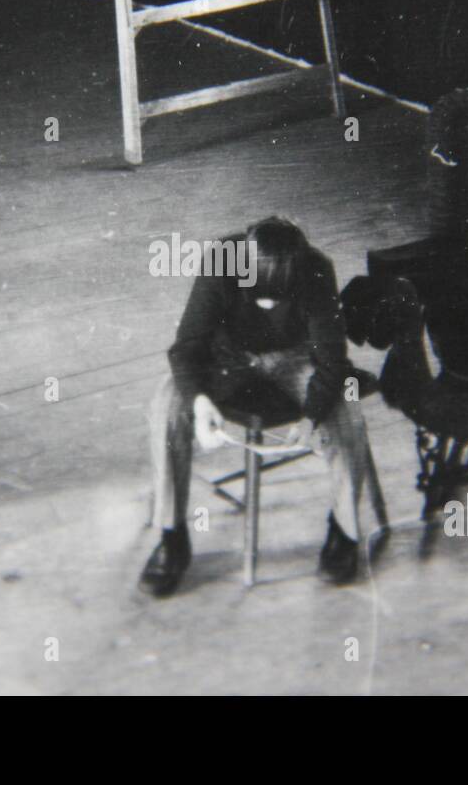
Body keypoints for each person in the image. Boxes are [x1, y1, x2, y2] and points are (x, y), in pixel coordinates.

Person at [140, 216, 378, 597]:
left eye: (278, 299)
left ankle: (345, 531)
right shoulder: (220, 261)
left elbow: (333, 360)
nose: (269, 304)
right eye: (260, 297)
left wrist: (313, 415)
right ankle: (172, 535)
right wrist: (200, 403)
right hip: (230, 356)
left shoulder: (316, 270)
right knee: (167, 404)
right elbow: (187, 347)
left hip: (295, 357)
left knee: (346, 412)